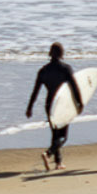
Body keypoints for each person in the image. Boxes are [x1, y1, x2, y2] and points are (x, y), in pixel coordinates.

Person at [24, 41, 85, 172]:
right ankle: (49, 153)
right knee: (63, 136)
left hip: (49, 104)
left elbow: (35, 91)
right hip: (63, 103)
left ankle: (58, 162)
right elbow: (75, 88)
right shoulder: (66, 69)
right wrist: (80, 103)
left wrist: (30, 107)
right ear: (62, 53)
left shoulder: (43, 70)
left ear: (50, 53)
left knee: (54, 132)